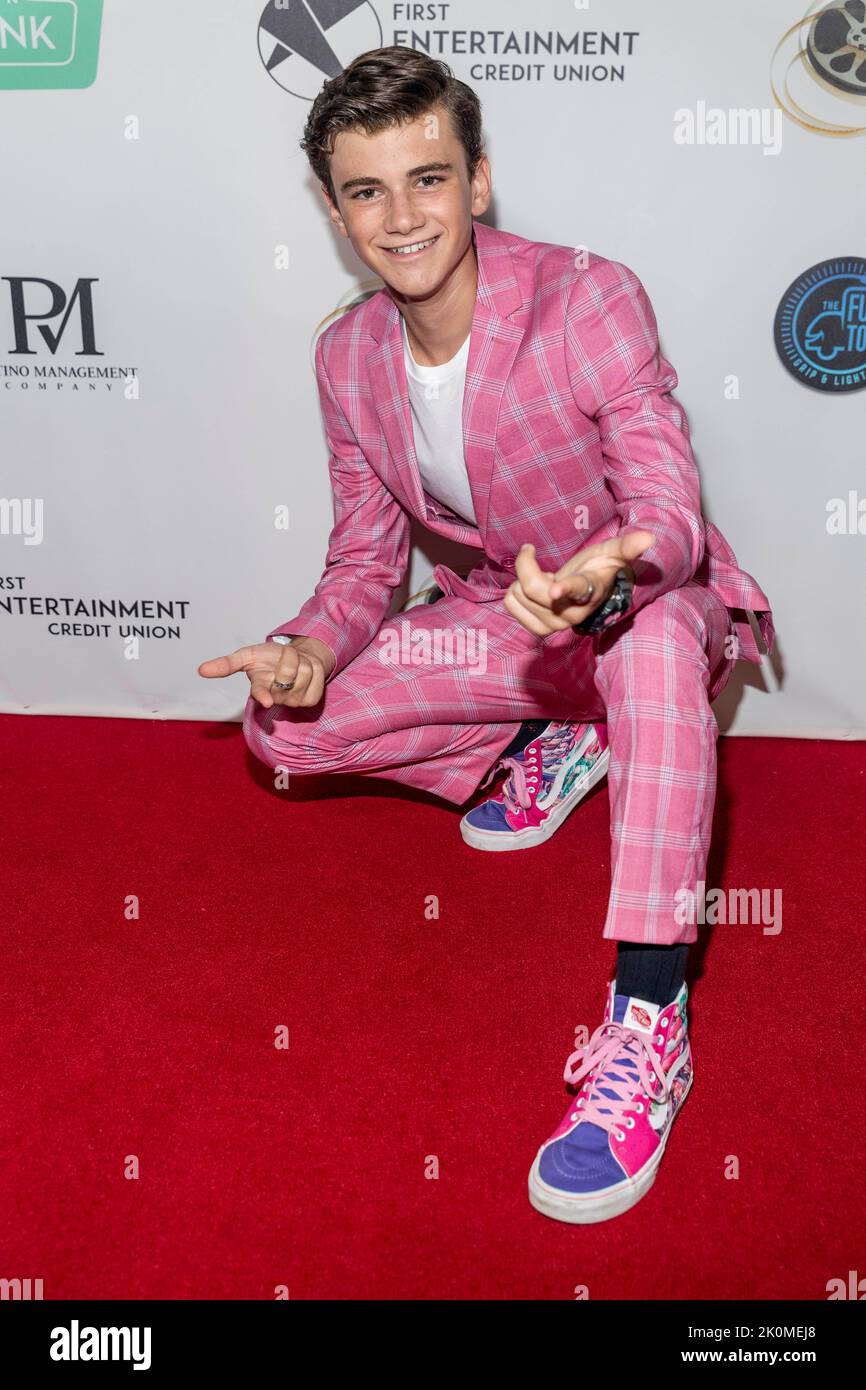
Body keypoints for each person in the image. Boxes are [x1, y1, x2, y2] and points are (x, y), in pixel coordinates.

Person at [198, 46, 774, 1224]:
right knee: (279, 729)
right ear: (332, 207)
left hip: (640, 608)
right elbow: (366, 563)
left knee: (655, 646)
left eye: (427, 178)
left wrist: (611, 570)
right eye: (366, 190)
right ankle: (547, 747)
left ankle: (645, 1019)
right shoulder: (345, 356)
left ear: (479, 181)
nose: (401, 216)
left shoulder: (587, 296)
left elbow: (666, 511)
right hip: (502, 636)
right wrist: (306, 644)